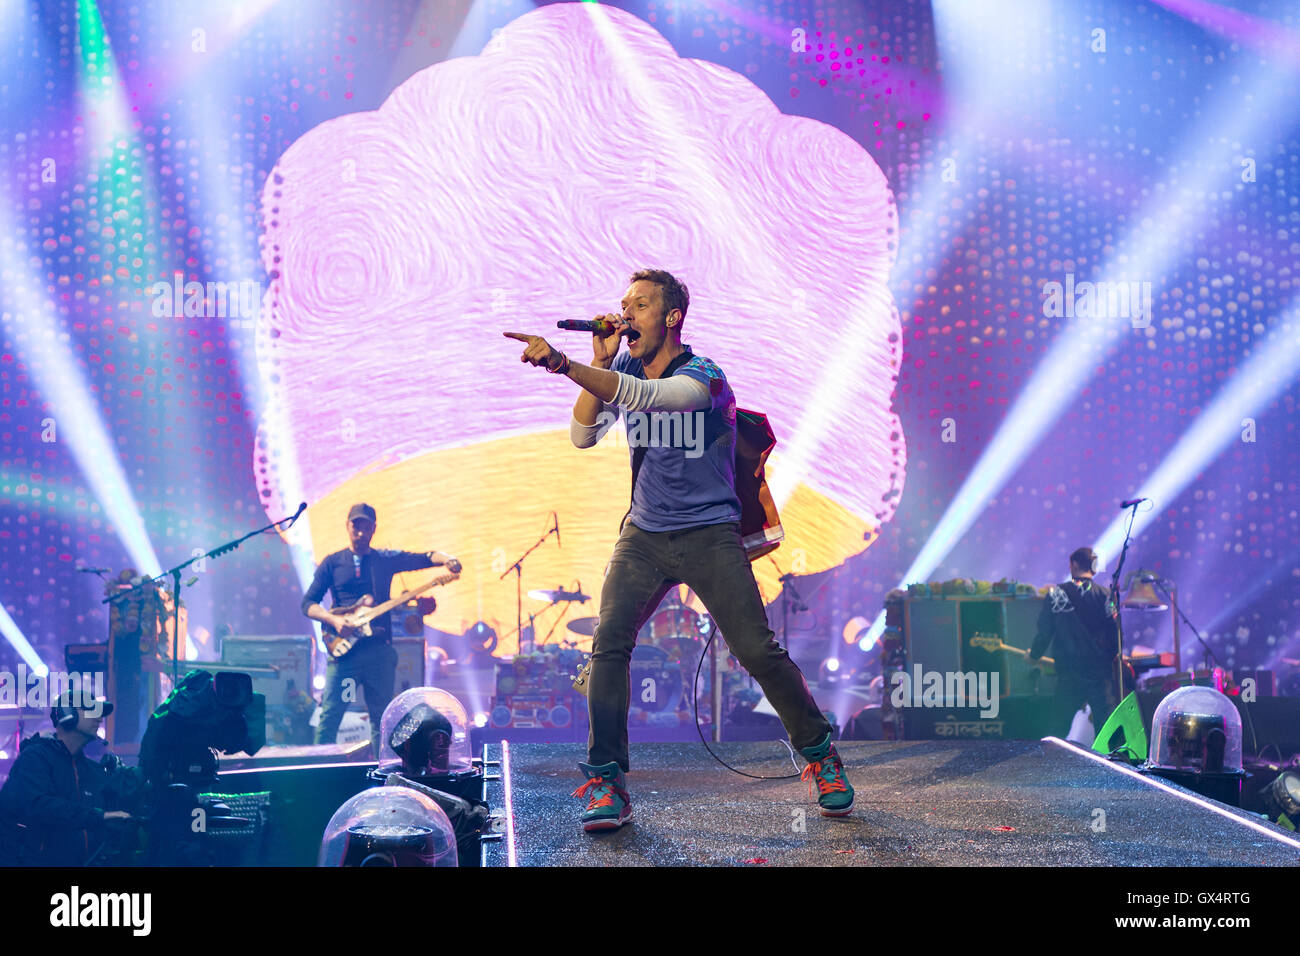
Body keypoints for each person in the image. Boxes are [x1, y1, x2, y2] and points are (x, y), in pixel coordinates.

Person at [504, 268, 853, 832]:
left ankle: (821, 756)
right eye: (623, 304)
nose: (625, 314)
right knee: (608, 645)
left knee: (757, 651)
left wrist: (565, 365)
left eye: (638, 306)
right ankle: (606, 780)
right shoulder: (622, 366)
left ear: (671, 318)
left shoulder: (704, 378)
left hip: (709, 534)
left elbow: (646, 397)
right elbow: (583, 436)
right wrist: (598, 363)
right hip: (643, 534)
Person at [302, 503, 462, 755]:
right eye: (356, 524)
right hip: (346, 657)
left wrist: (448, 560)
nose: (360, 530)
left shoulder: (384, 560)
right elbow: (308, 603)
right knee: (333, 714)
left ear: (374, 528)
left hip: (379, 653)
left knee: (381, 718)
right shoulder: (333, 563)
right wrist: (334, 621)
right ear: (347, 526)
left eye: (366, 525)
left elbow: (422, 558)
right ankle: (317, 771)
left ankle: (381, 777)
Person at [0, 692, 132, 866]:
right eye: (91, 710)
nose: (99, 718)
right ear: (66, 713)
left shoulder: (89, 768)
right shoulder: (34, 759)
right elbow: (40, 805)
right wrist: (98, 817)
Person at [1028, 546, 1121, 739]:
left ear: (1074, 565)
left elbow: (1044, 632)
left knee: (1057, 732)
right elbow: (1116, 634)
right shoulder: (1106, 596)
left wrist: (1034, 655)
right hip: (1099, 674)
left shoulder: (1056, 594)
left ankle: (1051, 767)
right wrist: (1107, 658)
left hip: (1069, 673)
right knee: (1108, 732)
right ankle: (1113, 767)